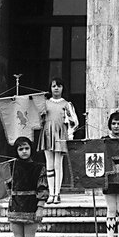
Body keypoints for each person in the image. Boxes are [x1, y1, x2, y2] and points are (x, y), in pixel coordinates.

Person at [6, 136, 48, 237]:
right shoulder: (11, 167)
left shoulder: (39, 167)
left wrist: (40, 207)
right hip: (16, 207)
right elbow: (4, 185)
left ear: (31, 149)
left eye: (26, 148)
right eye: (20, 149)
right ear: (16, 151)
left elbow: (43, 188)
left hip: (31, 207)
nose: (24, 151)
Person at [38, 77, 77, 205]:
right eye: (54, 86)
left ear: (62, 88)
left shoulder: (66, 104)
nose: (56, 88)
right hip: (47, 134)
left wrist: (69, 133)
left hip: (60, 134)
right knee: (49, 164)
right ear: (50, 88)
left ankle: (57, 193)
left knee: (57, 164)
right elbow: (38, 121)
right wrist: (42, 116)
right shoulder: (45, 103)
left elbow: (74, 122)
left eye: (59, 86)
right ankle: (51, 193)